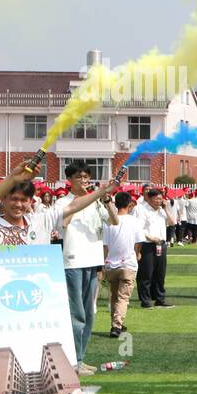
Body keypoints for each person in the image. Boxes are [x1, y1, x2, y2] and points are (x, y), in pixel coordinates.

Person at [55, 161, 120, 375]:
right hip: (72, 262)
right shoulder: (62, 201)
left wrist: (106, 198)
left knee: (90, 314)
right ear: (70, 180)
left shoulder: (96, 202)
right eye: (79, 177)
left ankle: (80, 358)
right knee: (77, 314)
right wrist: (80, 200)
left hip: (93, 262)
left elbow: (115, 221)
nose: (84, 181)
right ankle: (72, 361)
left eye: (86, 177)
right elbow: (62, 223)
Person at [101, 191, 144, 340]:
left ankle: (116, 322)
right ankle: (117, 325)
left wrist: (104, 261)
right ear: (129, 204)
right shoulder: (134, 221)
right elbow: (138, 243)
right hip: (128, 263)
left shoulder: (108, 221)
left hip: (111, 263)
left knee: (114, 296)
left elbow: (105, 246)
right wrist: (137, 255)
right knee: (123, 298)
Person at [0, 180, 55, 247]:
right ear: (3, 199)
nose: (18, 205)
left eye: (23, 200)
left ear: (30, 202)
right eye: (14, 199)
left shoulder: (38, 224)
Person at [136, 188, 174, 309]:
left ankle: (159, 299)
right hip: (148, 245)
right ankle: (145, 301)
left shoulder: (162, 211)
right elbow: (139, 229)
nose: (159, 201)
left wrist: (166, 208)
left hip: (161, 245)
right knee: (146, 274)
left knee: (160, 274)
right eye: (157, 198)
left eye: (161, 198)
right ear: (149, 198)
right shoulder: (142, 210)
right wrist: (151, 238)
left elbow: (172, 222)